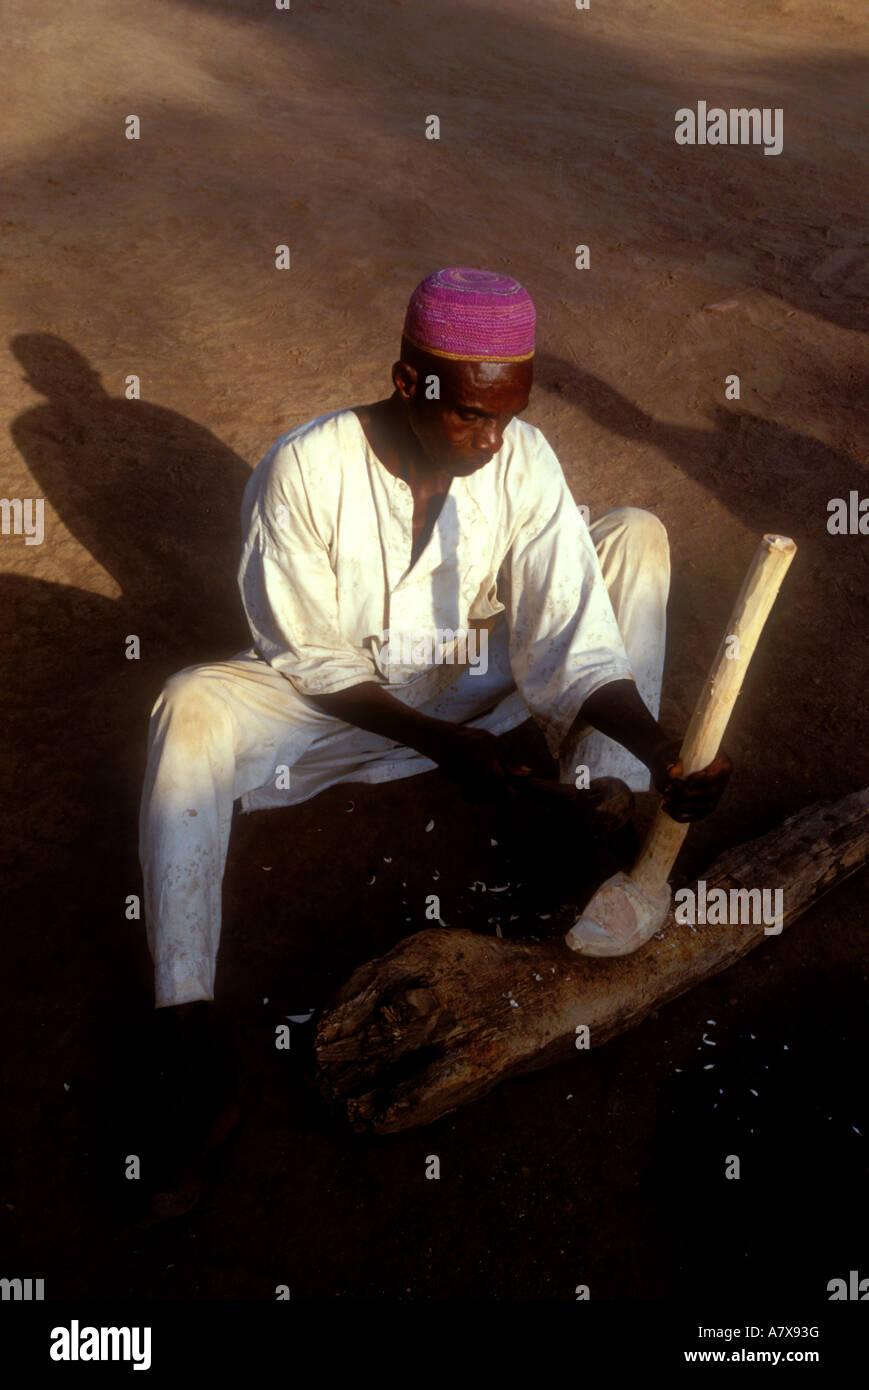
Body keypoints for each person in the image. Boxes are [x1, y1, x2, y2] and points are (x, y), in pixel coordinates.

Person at [138, 267, 730, 1213]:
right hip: (342, 712)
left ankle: (598, 806)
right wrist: (440, 748)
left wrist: (659, 753)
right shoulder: (305, 469)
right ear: (409, 382)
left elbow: (570, 635)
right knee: (189, 705)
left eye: (508, 416)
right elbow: (307, 655)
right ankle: (185, 1024)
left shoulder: (520, 457)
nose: (492, 440)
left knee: (633, 535)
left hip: (480, 693)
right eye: (471, 418)